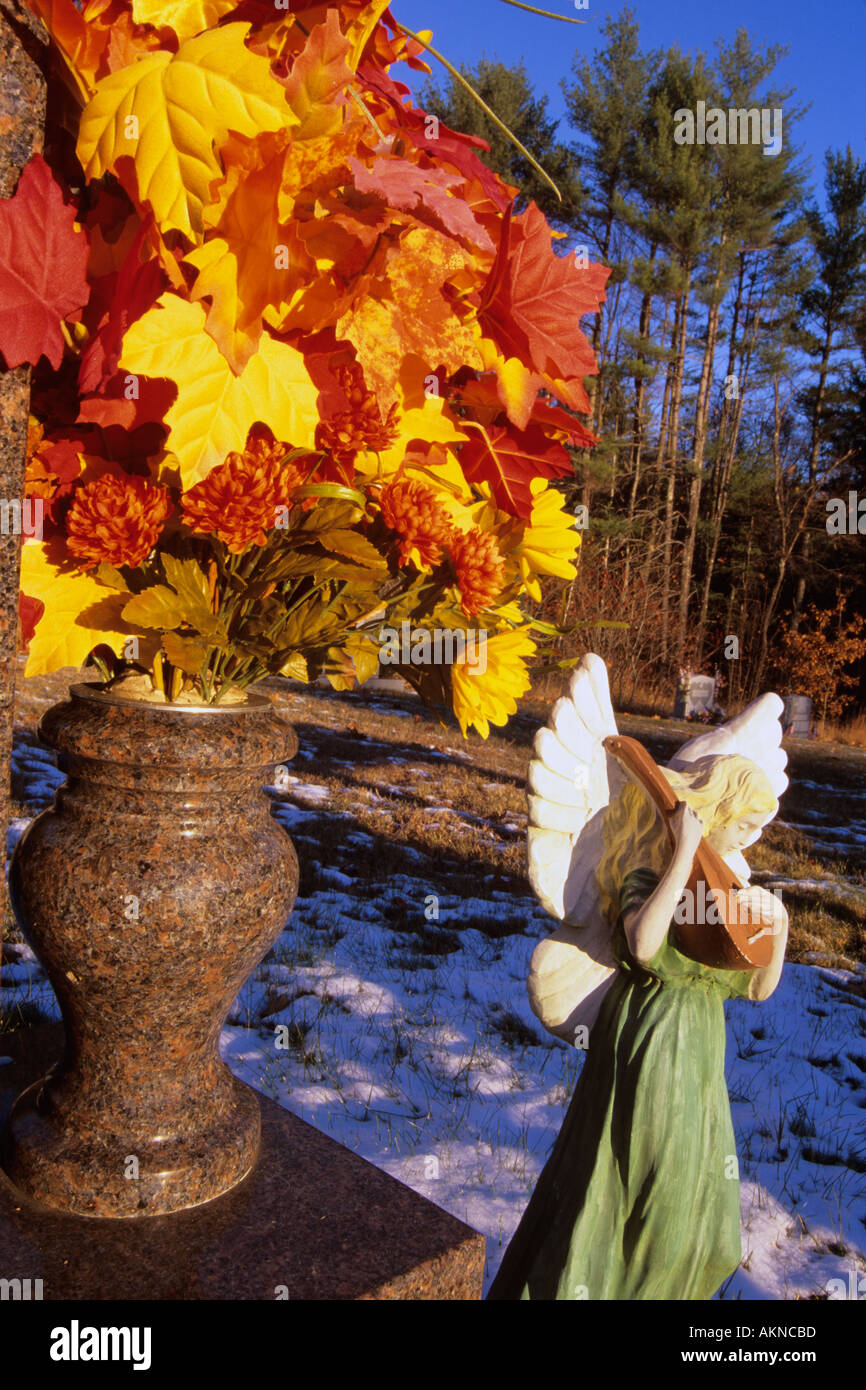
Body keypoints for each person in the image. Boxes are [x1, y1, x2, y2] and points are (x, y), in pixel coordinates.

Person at [487, 755, 788, 1301]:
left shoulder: (730, 896)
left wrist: (780, 924)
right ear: (710, 815)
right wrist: (682, 855)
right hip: (651, 1043)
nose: (752, 840)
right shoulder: (649, 877)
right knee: (632, 1184)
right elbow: (645, 945)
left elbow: (759, 989)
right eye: (745, 825)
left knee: (707, 1224)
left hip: (700, 1059)